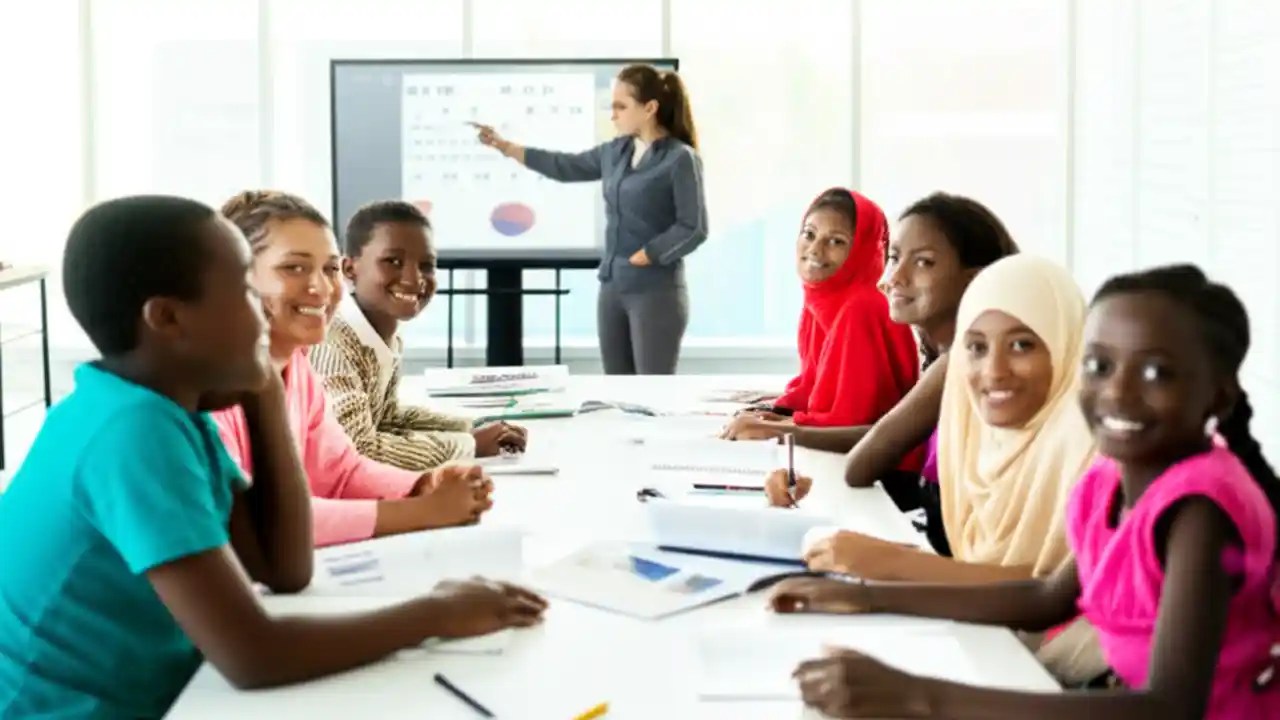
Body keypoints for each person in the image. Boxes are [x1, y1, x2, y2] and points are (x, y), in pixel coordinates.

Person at [0, 196, 546, 718]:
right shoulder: (132, 432)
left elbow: (283, 569)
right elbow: (253, 655)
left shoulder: (172, 413)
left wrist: (264, 391)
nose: (262, 311)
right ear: (167, 318)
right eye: (242, 289)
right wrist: (438, 613)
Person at [767, 265, 1280, 720]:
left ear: (1219, 393)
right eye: (1099, 365)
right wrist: (863, 597)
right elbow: (1045, 598)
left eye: (1154, 372)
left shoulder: (1200, 513)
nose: (1118, 392)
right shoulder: (1111, 480)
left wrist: (921, 700)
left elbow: (1170, 706)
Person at [211, 191, 491, 547]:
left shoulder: (297, 367)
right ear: (239, 278)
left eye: (329, 269)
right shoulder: (209, 390)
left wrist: (419, 486)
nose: (322, 288)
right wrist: (423, 512)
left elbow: (341, 472)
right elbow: (255, 519)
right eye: (293, 267)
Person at [750, 192, 1019, 517]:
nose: (894, 278)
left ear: (973, 279)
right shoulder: (939, 355)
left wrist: (784, 434)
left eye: (923, 262)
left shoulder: (958, 361)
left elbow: (864, 462)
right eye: (893, 257)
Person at [473, 63, 708, 375]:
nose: (613, 115)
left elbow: (694, 227)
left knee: (653, 392)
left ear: (650, 108)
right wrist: (505, 147)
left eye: (621, 106)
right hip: (611, 288)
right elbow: (564, 166)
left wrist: (650, 253)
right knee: (617, 389)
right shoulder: (616, 151)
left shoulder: (680, 159)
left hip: (655, 292)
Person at [309, 200, 528, 472]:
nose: (414, 279)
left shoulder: (384, 333)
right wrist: (468, 444)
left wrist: (472, 426)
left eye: (426, 265)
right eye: (393, 261)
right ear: (349, 269)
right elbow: (358, 449)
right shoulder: (333, 342)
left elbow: (386, 419)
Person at [721, 188, 920, 451]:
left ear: (863, 249)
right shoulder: (825, 300)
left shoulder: (862, 307)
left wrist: (778, 429)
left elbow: (854, 422)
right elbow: (817, 391)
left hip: (883, 473)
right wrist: (777, 414)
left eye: (836, 241)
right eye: (809, 234)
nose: (815, 250)